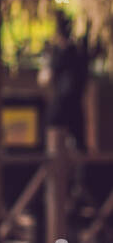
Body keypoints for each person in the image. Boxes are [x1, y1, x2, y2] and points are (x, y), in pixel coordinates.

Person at [39, 9, 97, 153]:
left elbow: (44, 78)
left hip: (60, 108)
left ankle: (60, 174)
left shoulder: (59, 54)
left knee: (55, 153)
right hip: (76, 108)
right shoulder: (81, 53)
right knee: (79, 151)